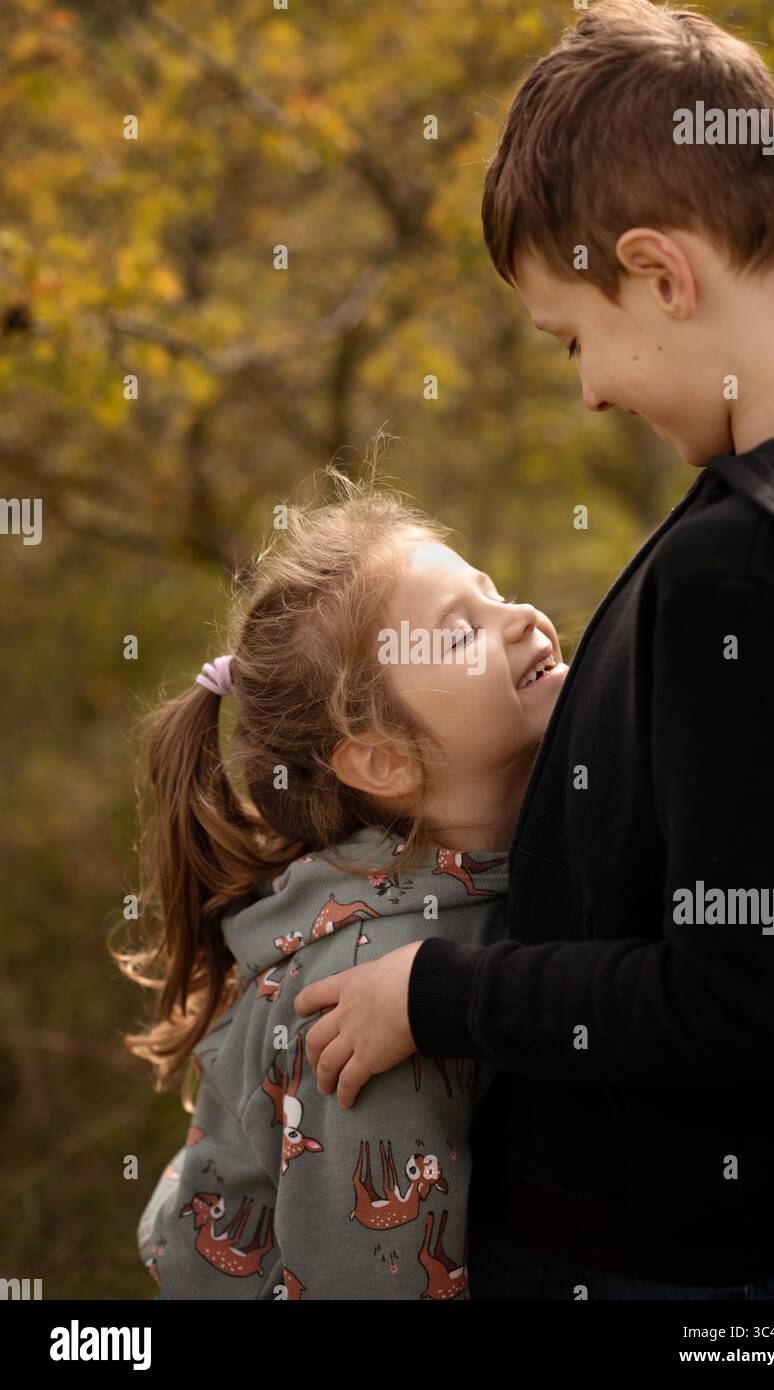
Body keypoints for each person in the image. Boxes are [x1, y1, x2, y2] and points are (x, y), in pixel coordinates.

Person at [293, 0, 774, 1299]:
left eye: (575, 338)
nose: (590, 388)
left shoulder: (743, 563)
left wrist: (434, 992)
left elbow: (734, 995)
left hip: (670, 1269)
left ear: (663, 273)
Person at [117, 467, 568, 1298]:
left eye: (495, 592)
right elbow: (374, 1279)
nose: (522, 618)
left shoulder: (498, 865)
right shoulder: (370, 1008)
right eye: (464, 633)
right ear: (381, 759)